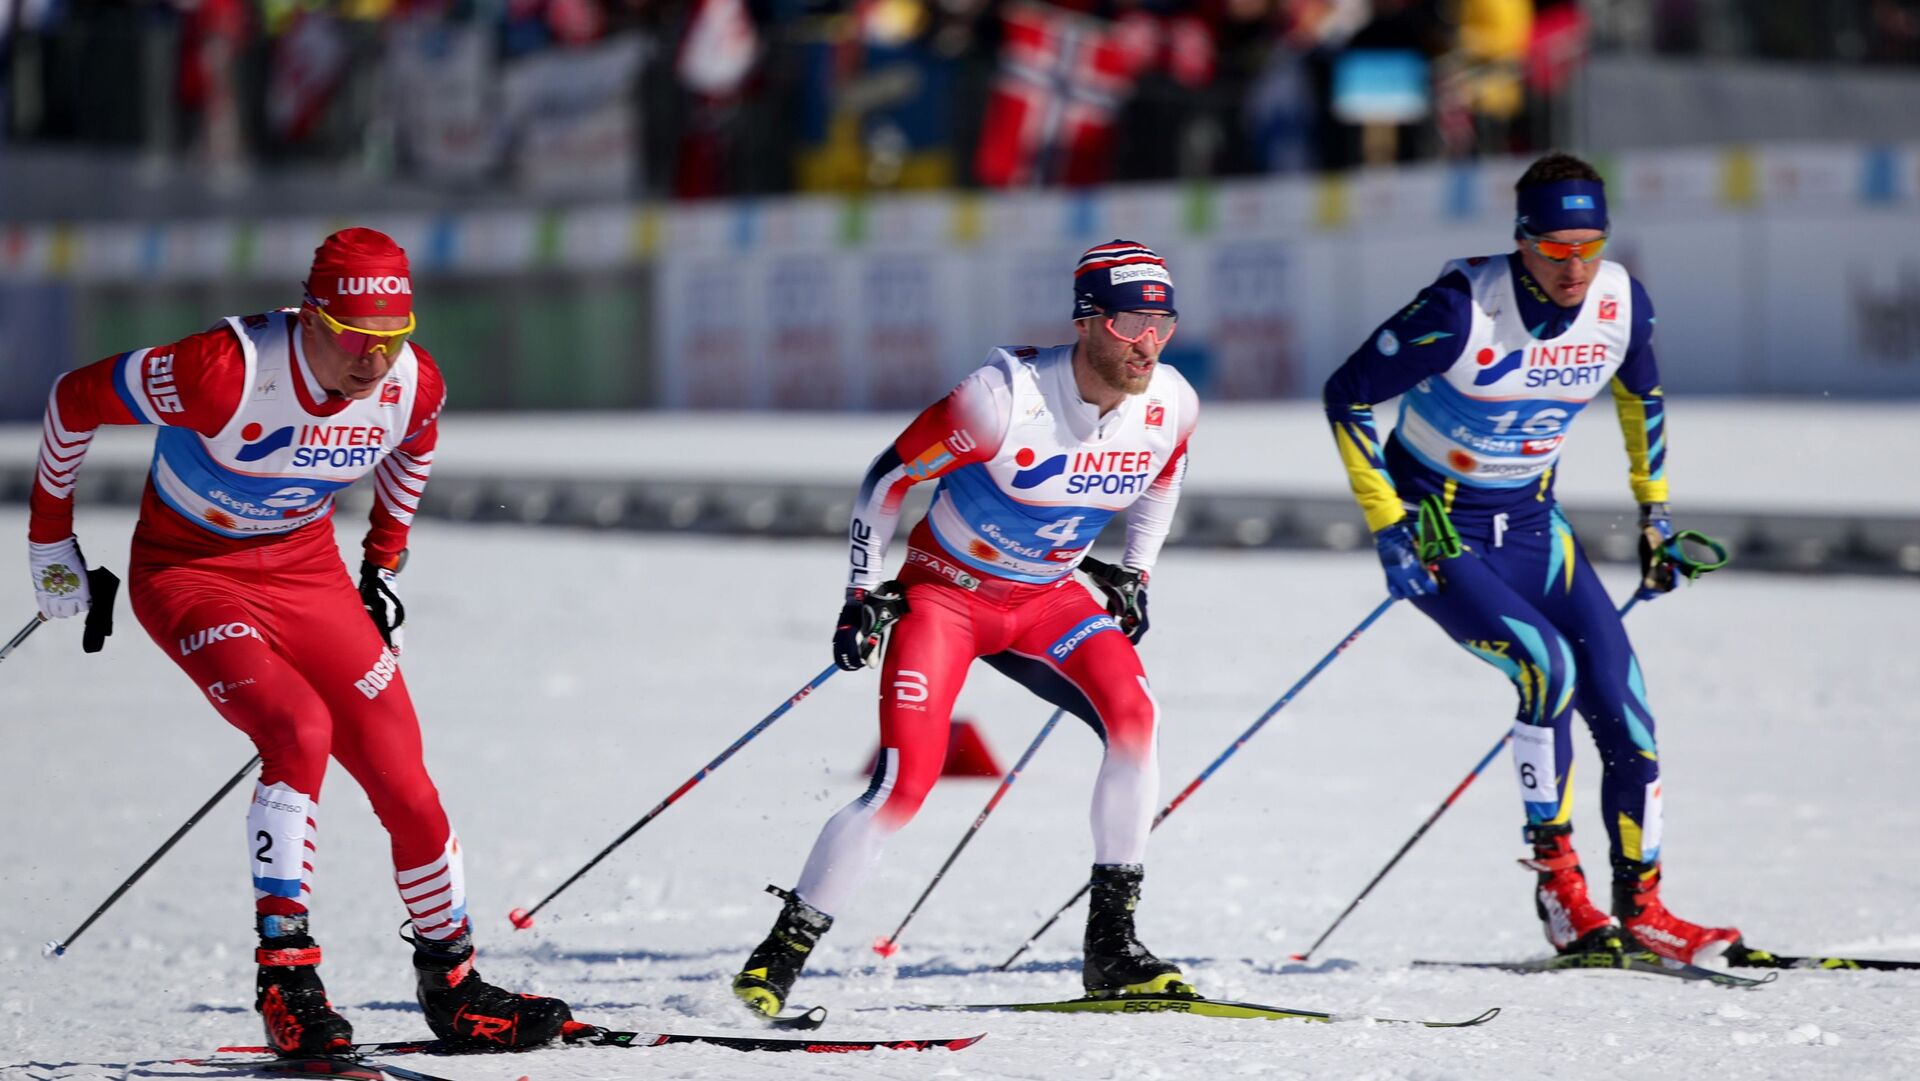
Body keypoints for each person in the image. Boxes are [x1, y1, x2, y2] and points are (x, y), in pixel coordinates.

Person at [25, 229, 573, 1054]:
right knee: (297, 730)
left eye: (391, 340)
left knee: (403, 773)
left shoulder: (412, 383)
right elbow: (74, 398)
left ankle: (453, 983)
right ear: (309, 317)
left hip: (305, 571)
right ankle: (287, 976)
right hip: (191, 572)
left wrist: (382, 560)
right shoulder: (224, 369)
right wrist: (48, 541)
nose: (374, 362)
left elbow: (413, 445)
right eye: (355, 339)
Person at [731, 240, 1201, 1015]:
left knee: (1136, 720)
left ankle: (1112, 947)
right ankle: (779, 956)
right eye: (1127, 323)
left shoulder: (1171, 401)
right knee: (903, 785)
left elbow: (1167, 471)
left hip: (1049, 599)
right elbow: (887, 478)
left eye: (1162, 323)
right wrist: (861, 590)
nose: (1147, 342)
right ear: (1086, 321)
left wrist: (1137, 571)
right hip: (946, 598)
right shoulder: (1000, 399)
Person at [1320, 152, 1741, 964]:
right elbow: (1348, 392)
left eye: (1590, 245)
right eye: (1555, 250)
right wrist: (1387, 522)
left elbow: (1640, 397)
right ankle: (1559, 886)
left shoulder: (1620, 301)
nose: (1575, 266)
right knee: (1546, 667)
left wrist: (1654, 516)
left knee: (1626, 706)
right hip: (1443, 534)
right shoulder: (1458, 309)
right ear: (1522, 242)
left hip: (1535, 529)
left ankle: (1643, 905)